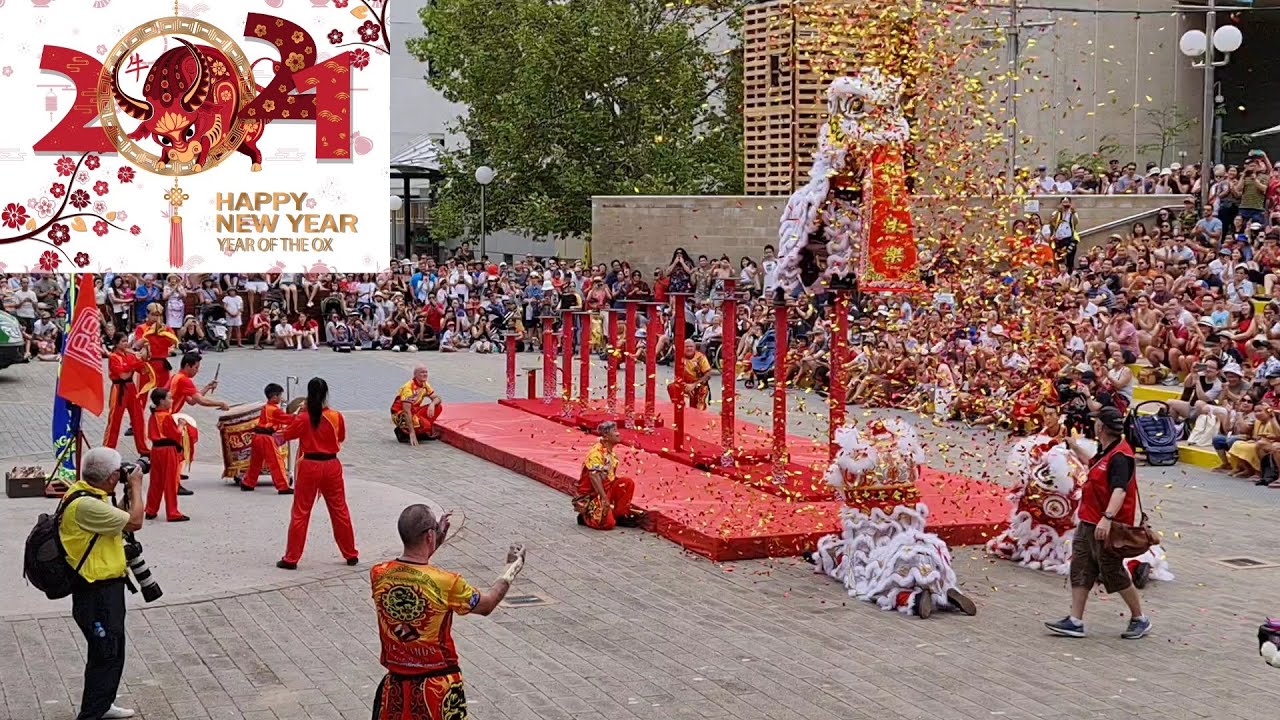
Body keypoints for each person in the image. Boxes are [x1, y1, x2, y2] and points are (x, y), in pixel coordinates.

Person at [370, 505, 526, 720]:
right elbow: (487, 604)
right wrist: (512, 567)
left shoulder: (379, 573)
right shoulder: (447, 583)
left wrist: (434, 539)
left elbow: (414, 566)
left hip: (396, 684)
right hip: (436, 686)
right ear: (429, 535)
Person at [1046, 407, 1152, 640]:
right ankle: (1075, 620)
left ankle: (1139, 618)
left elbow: (1120, 490)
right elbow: (1093, 465)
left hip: (1108, 524)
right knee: (1081, 566)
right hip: (1089, 520)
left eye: (1096, 422)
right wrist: (1073, 446)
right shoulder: (1107, 451)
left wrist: (1107, 518)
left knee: (1111, 570)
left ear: (1101, 427)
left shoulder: (1121, 457)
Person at [60, 447, 146, 720]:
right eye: (119, 472)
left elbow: (115, 522)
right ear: (111, 477)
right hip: (94, 591)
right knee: (105, 653)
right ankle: (90, 714)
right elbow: (134, 521)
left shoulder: (89, 494)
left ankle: (103, 703)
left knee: (111, 650)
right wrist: (136, 485)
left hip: (106, 588)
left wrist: (126, 493)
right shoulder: (85, 504)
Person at [277, 377, 358, 569]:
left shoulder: (303, 417)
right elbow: (341, 437)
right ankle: (350, 553)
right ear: (326, 394)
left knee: (301, 512)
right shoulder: (336, 416)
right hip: (331, 465)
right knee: (339, 510)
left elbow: (285, 436)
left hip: (309, 466)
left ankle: (291, 558)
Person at [165, 352, 230, 493]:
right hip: (168, 419)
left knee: (180, 446)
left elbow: (192, 401)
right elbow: (200, 401)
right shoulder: (184, 380)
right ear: (188, 366)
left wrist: (206, 387)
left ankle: (174, 473)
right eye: (196, 367)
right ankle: (174, 482)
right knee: (180, 448)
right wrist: (220, 403)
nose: (197, 371)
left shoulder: (177, 377)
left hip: (167, 417)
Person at [573, 421, 642, 530]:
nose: (618, 434)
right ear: (606, 436)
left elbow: (609, 477)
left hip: (606, 489)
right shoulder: (596, 453)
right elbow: (593, 477)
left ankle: (620, 515)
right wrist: (604, 499)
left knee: (626, 483)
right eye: (615, 431)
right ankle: (585, 515)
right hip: (593, 494)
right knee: (608, 524)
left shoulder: (610, 452)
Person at [144, 388, 190, 522]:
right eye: (169, 398)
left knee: (156, 481)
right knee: (170, 481)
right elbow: (176, 435)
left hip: (156, 450)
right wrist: (181, 425)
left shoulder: (154, 415)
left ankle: (151, 509)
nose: (172, 400)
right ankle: (172, 512)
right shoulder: (166, 416)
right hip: (168, 450)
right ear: (162, 401)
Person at [241, 383, 295, 493]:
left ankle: (248, 483)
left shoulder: (265, 407)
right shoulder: (275, 410)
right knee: (276, 462)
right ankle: (283, 487)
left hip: (257, 437)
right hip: (266, 438)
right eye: (280, 395)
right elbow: (288, 419)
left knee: (255, 463)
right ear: (274, 397)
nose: (281, 398)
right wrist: (300, 415)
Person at [102, 333, 149, 457]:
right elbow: (123, 375)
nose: (126, 343)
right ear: (117, 343)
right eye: (123, 341)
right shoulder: (113, 357)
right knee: (114, 421)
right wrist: (135, 362)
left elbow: (143, 371)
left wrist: (145, 356)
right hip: (119, 389)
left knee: (138, 419)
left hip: (131, 388)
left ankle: (143, 449)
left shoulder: (129, 355)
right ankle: (108, 449)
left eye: (126, 341)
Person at [391, 365, 443, 444]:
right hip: (400, 413)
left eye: (426, 372)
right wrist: (412, 432)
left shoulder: (425, 384)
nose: (425, 374)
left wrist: (432, 404)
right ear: (415, 375)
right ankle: (403, 432)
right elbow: (406, 411)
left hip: (413, 410)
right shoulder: (408, 388)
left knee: (438, 407)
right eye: (422, 372)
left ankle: (420, 433)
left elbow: (437, 398)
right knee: (424, 424)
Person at [133, 303, 178, 391]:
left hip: (162, 364)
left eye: (158, 315)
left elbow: (175, 343)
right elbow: (137, 346)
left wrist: (164, 333)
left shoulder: (166, 329)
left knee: (164, 393)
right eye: (153, 315)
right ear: (147, 314)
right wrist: (148, 333)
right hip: (147, 364)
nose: (156, 318)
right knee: (142, 392)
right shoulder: (141, 328)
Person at [667, 338, 712, 410]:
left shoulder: (700, 357)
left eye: (691, 346)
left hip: (699, 384)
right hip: (685, 383)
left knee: (697, 405)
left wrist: (694, 385)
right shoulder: (679, 357)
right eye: (687, 346)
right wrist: (684, 384)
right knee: (672, 387)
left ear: (694, 347)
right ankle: (679, 408)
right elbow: (678, 374)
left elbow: (708, 374)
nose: (689, 348)